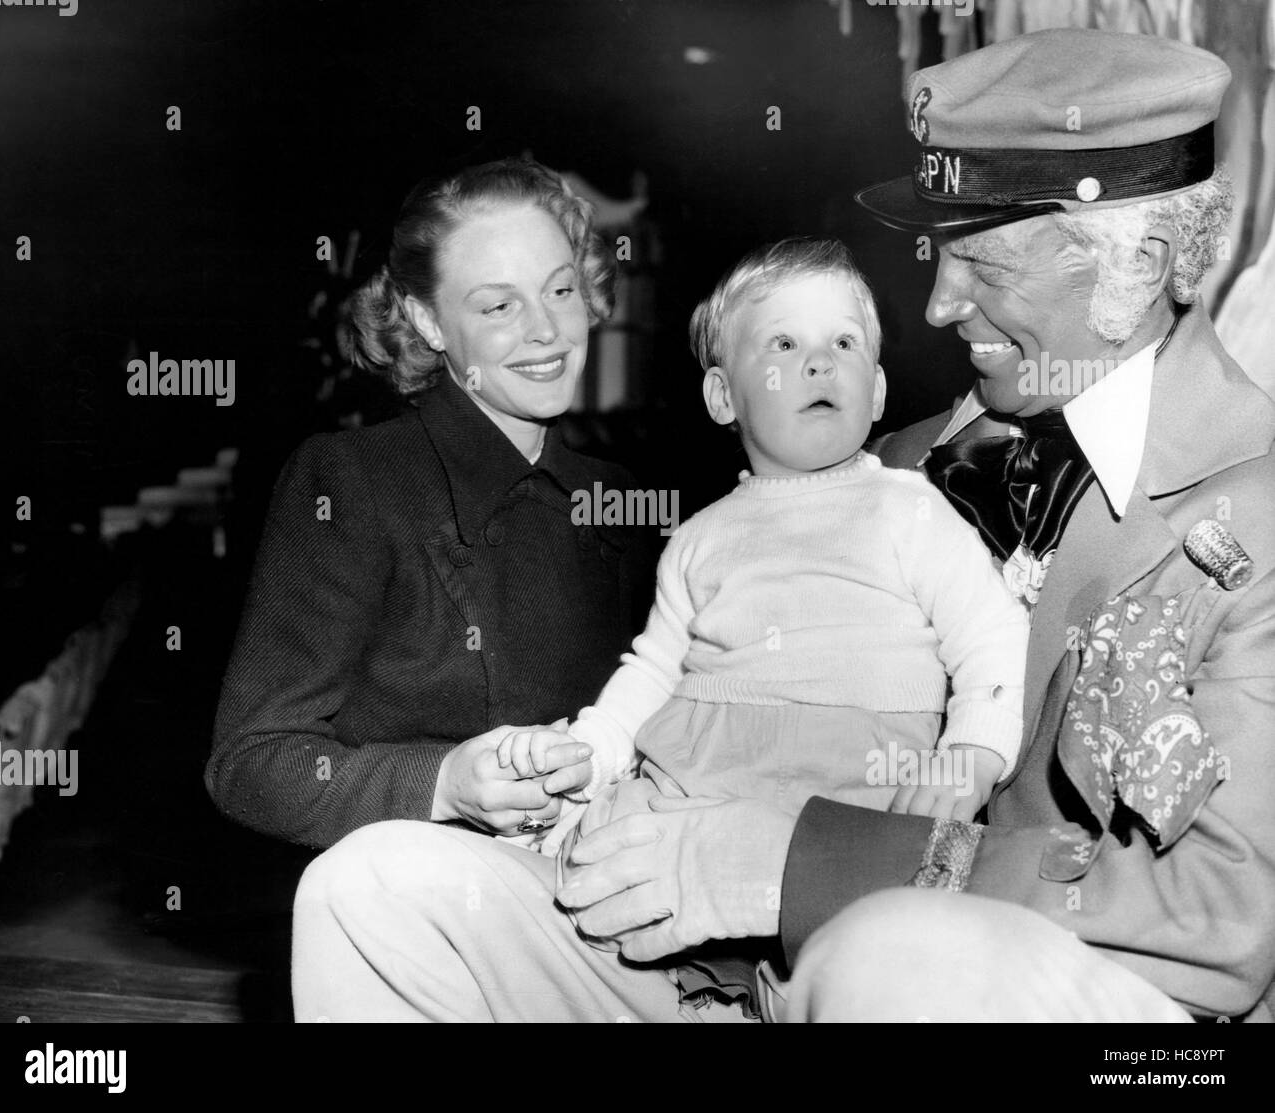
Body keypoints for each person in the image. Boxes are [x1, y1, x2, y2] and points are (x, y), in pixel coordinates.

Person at [291, 29, 1275, 1023]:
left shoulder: (1258, 510)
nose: (938, 305)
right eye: (938, 259)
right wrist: (608, 787)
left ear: (1139, 262)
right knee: (376, 893)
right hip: (756, 978)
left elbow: (1217, 920)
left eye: (983, 265)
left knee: (896, 955)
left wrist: (792, 861)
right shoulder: (890, 462)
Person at [497, 238, 1029, 860]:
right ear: (723, 396)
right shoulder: (700, 537)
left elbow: (993, 641)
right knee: (589, 860)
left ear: (878, 392)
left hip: (859, 794)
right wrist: (592, 753)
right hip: (695, 785)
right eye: (784, 344)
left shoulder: (911, 510)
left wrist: (970, 754)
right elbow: (655, 671)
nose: (820, 363)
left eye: (844, 343)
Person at [206, 158, 653, 849]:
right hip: (418, 903)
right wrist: (440, 782)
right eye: (499, 305)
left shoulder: (617, 497)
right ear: (427, 320)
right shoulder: (352, 482)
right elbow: (251, 762)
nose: (547, 331)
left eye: (560, 290)